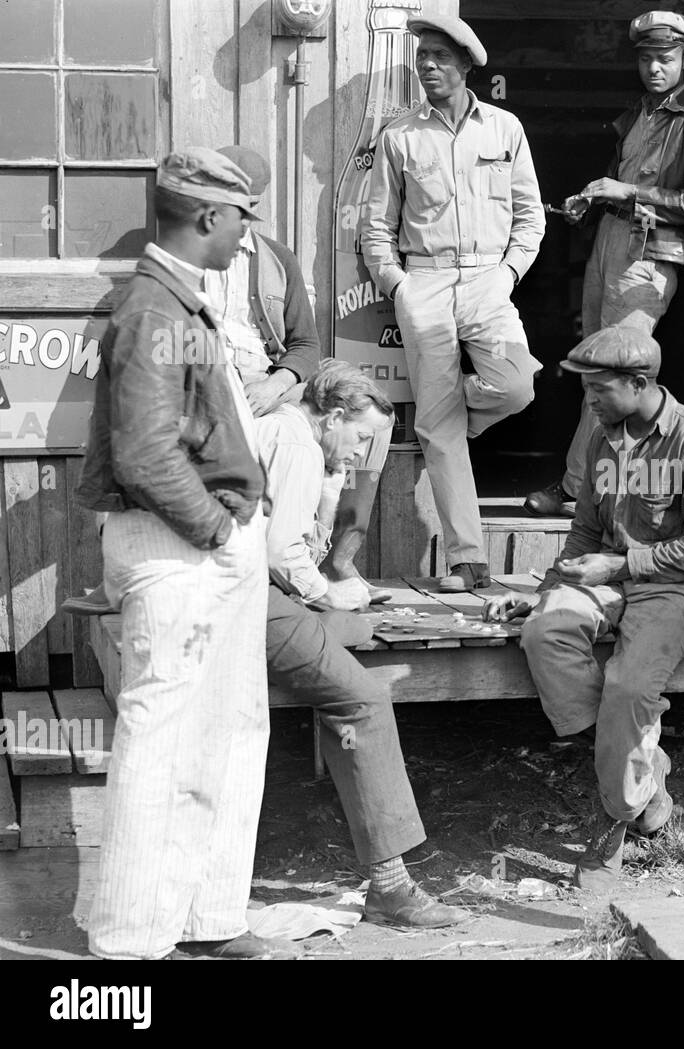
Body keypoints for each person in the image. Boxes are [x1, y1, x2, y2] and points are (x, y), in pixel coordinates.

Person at [76, 149, 291, 960]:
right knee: (161, 738)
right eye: (240, 219)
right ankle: (131, 940)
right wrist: (220, 532)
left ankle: (207, 917)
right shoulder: (154, 310)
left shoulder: (178, 301)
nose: (245, 235)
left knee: (229, 731)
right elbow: (144, 455)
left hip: (199, 540)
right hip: (177, 544)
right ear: (208, 216)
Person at [483, 327, 684, 893]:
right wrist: (547, 591)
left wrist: (620, 565)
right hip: (607, 579)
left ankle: (612, 824)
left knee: (627, 689)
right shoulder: (602, 438)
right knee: (545, 632)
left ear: (639, 383)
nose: (589, 400)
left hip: (676, 586)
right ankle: (642, 769)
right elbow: (584, 532)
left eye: (599, 389)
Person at [255, 360, 468, 928]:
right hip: (249, 602)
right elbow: (282, 554)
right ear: (332, 416)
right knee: (364, 701)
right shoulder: (295, 444)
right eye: (360, 436)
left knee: (358, 627)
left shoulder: (293, 436)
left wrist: (330, 488)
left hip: (252, 596)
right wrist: (328, 592)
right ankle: (391, 888)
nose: (361, 451)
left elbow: (300, 543)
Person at [361, 9, 544, 593]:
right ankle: (469, 559)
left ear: (466, 65)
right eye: (422, 58)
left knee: (516, 385)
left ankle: (448, 413)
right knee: (439, 429)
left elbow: (530, 216)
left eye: (441, 57)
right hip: (426, 282)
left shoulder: (504, 129)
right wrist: (399, 285)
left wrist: (508, 273)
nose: (429, 67)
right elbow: (375, 226)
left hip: (489, 280)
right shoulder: (400, 136)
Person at [524, 10, 684, 519]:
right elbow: (621, 189)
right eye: (647, 58)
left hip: (651, 253)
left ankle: (578, 489)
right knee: (595, 366)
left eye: (666, 58)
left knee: (614, 370)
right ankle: (602, 489)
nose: (655, 68)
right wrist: (592, 204)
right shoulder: (640, 112)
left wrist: (627, 192)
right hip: (611, 241)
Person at [210, 145, 393, 605]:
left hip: (269, 378)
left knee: (367, 426)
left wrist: (276, 383)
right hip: (210, 382)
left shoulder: (276, 258)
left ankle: (332, 557)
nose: (242, 219)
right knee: (294, 440)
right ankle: (282, 561)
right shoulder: (187, 258)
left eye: (251, 206)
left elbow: (306, 345)